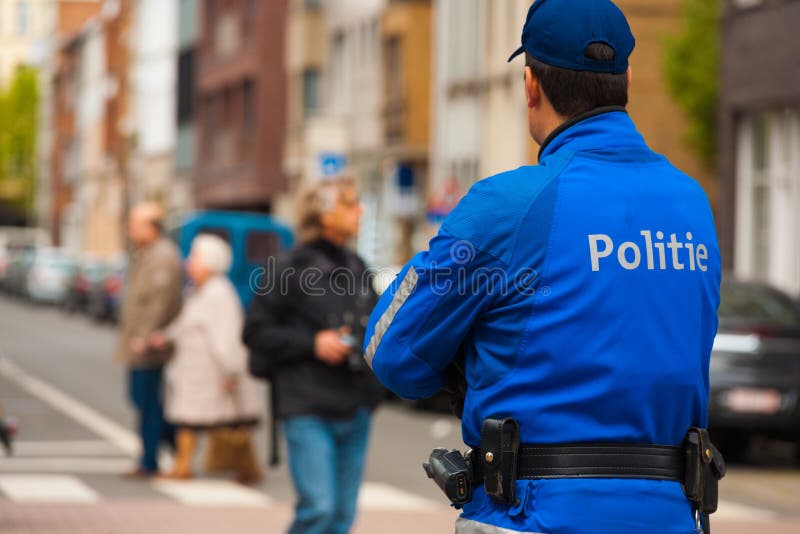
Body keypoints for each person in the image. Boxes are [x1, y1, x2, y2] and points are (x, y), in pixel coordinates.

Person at [363, 1, 722, 533]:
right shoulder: (692, 205)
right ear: (626, 76)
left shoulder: (504, 206)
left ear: (530, 85)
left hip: (533, 515)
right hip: (670, 515)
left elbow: (393, 351)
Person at [243, 176, 384, 534]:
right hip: (306, 404)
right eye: (350, 203)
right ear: (323, 215)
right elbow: (255, 331)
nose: (360, 210)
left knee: (341, 517)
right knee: (318, 510)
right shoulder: (288, 266)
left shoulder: (357, 265)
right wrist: (313, 343)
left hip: (355, 405)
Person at [149, 234, 264, 483]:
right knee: (209, 420)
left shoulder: (218, 293)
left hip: (210, 375)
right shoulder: (200, 291)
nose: (188, 262)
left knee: (218, 421)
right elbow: (185, 324)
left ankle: (188, 466)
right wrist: (165, 337)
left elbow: (227, 337)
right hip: (196, 374)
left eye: (195, 257)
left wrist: (231, 371)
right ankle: (189, 465)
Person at [116, 202, 182, 478]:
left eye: (134, 226)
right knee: (142, 399)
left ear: (151, 228)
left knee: (147, 400)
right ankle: (169, 448)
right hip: (138, 341)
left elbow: (160, 303)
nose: (130, 232)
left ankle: (154, 456)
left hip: (149, 344)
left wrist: (145, 336)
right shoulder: (146, 254)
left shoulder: (163, 256)